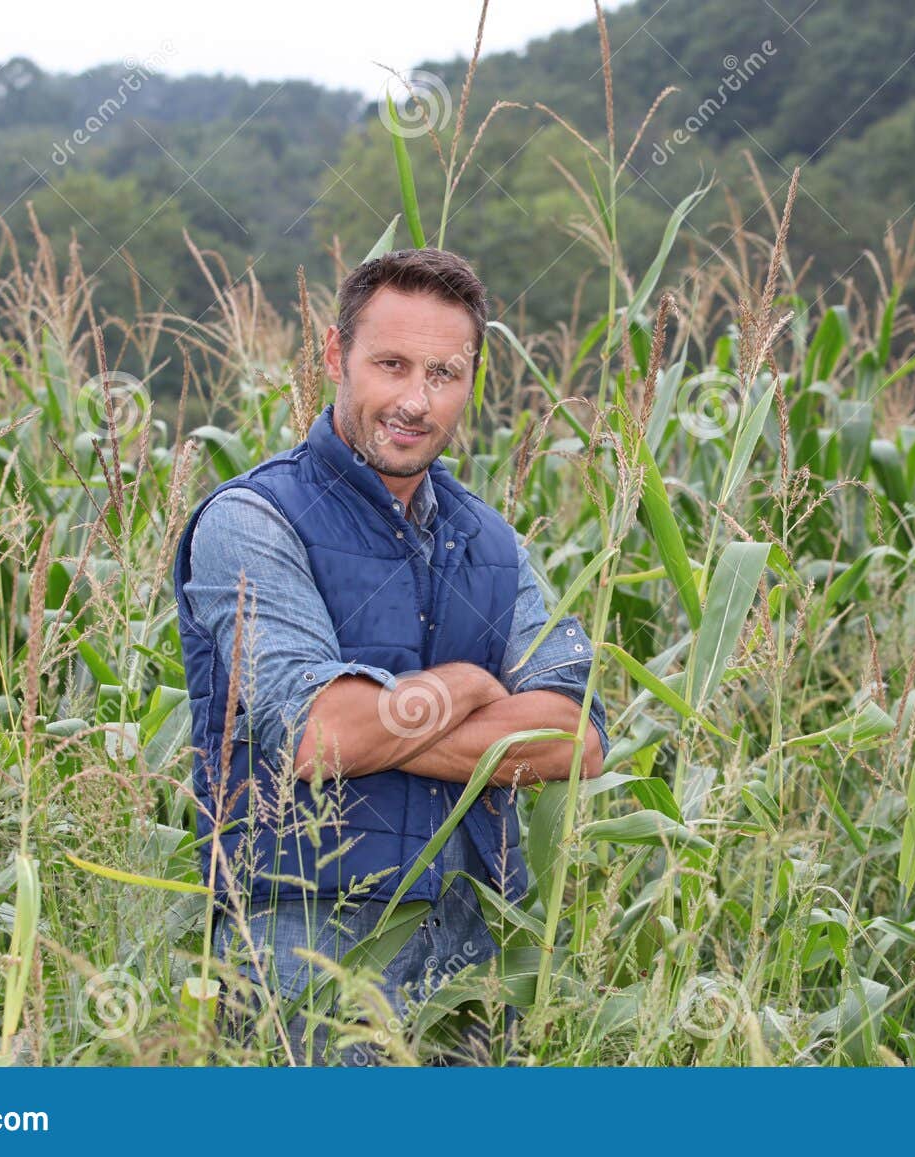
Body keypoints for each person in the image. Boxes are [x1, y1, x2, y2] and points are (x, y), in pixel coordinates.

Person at [171, 247, 608, 1064]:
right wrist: (474, 685)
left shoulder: (493, 544)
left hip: (472, 951)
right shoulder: (253, 521)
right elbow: (319, 735)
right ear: (335, 356)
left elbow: (575, 735)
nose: (415, 399)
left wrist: (386, 722)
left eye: (444, 373)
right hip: (304, 946)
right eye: (392, 364)